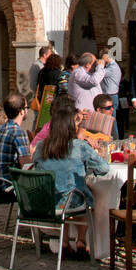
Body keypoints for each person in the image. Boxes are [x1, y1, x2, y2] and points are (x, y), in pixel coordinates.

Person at [32, 100, 110, 258]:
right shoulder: (79, 146)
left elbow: (36, 165)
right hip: (73, 201)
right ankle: (81, 240)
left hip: (47, 200)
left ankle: (64, 241)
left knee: (66, 188)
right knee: (83, 193)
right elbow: (104, 169)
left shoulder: (42, 146)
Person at [0, 93, 32, 184]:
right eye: (26, 108)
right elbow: (27, 167)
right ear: (22, 111)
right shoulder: (18, 132)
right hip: (9, 187)